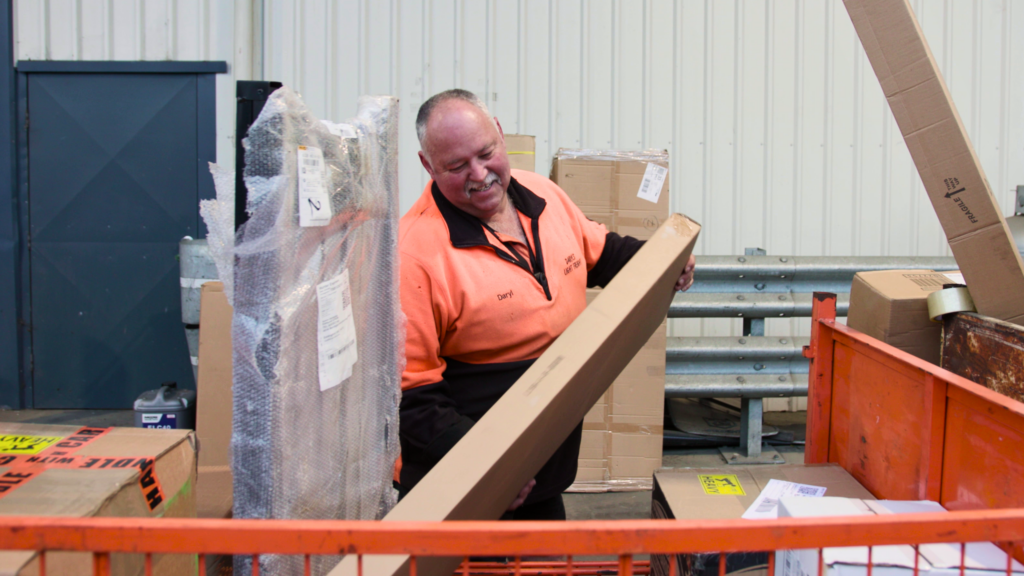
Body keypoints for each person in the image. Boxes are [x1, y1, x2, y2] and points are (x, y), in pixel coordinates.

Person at [396, 89, 696, 520]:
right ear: (428, 166)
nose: (480, 175)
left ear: (500, 134)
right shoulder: (414, 254)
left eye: (486, 153)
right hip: (462, 491)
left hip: (540, 475)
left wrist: (665, 260)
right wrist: (485, 470)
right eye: (457, 166)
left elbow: (603, 253)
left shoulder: (542, 194)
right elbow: (412, 397)